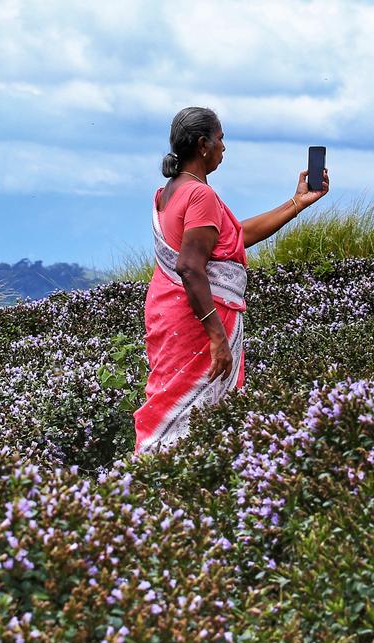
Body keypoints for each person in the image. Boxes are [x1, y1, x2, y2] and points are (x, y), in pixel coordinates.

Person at [133, 106, 329, 453]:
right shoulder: (201, 195)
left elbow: (236, 235)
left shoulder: (171, 191)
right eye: (221, 139)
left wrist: (297, 202)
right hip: (195, 319)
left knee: (171, 397)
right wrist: (217, 336)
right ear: (203, 145)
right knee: (194, 414)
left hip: (169, 312)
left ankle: (154, 475)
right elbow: (190, 266)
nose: (224, 147)